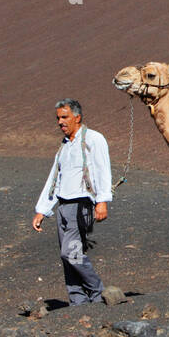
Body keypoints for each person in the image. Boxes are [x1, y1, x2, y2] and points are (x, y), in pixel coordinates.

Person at [32, 99, 112, 305]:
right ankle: (77, 299)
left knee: (72, 252)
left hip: (81, 206)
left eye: (64, 117)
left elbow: (103, 170)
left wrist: (102, 201)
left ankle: (97, 292)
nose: (60, 122)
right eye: (58, 118)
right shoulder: (65, 146)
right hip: (63, 206)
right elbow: (54, 178)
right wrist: (43, 210)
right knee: (65, 255)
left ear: (77, 117)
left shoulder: (93, 139)